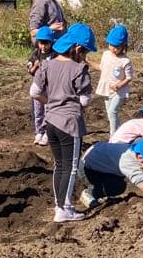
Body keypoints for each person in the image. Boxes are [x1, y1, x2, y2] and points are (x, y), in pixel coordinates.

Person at [29, 23, 95, 223]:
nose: (84, 56)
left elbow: (34, 93)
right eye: (83, 51)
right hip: (70, 123)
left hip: (50, 122)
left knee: (59, 165)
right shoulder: (78, 69)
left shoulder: (46, 64)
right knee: (71, 167)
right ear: (76, 48)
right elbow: (85, 99)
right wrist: (74, 105)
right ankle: (64, 209)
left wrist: (52, 102)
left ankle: (59, 205)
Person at [78, 135, 143, 210]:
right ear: (140, 158)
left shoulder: (140, 152)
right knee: (118, 187)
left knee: (119, 183)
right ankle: (91, 193)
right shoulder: (127, 160)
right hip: (88, 167)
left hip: (102, 161)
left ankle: (103, 187)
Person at [95, 25, 133, 139]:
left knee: (112, 112)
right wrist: (89, 63)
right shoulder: (106, 54)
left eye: (117, 46)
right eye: (111, 45)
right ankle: (121, 132)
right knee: (110, 113)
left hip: (119, 92)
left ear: (123, 46)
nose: (113, 48)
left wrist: (119, 85)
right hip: (107, 89)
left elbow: (129, 77)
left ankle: (113, 137)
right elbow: (101, 67)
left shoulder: (125, 61)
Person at [27, 27, 55, 145]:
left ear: (51, 42)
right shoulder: (36, 54)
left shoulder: (54, 54)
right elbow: (30, 70)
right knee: (38, 111)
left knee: (48, 109)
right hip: (38, 86)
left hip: (49, 87)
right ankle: (39, 131)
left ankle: (48, 133)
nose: (43, 46)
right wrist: (36, 66)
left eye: (46, 43)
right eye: (41, 43)